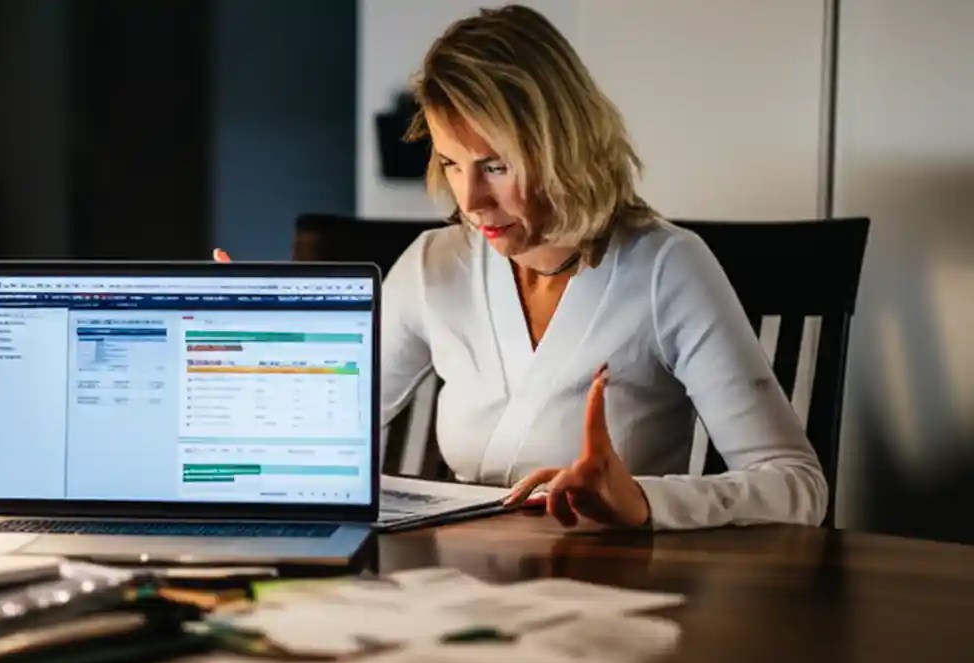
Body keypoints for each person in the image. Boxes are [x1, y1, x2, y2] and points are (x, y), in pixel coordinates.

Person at [218, 4, 826, 531]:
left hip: (611, 596)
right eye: (453, 164)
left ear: (563, 145)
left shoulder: (667, 268)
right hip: (455, 594)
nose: (470, 200)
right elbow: (325, 447)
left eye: (496, 166)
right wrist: (270, 367)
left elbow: (797, 484)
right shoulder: (434, 267)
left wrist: (642, 500)